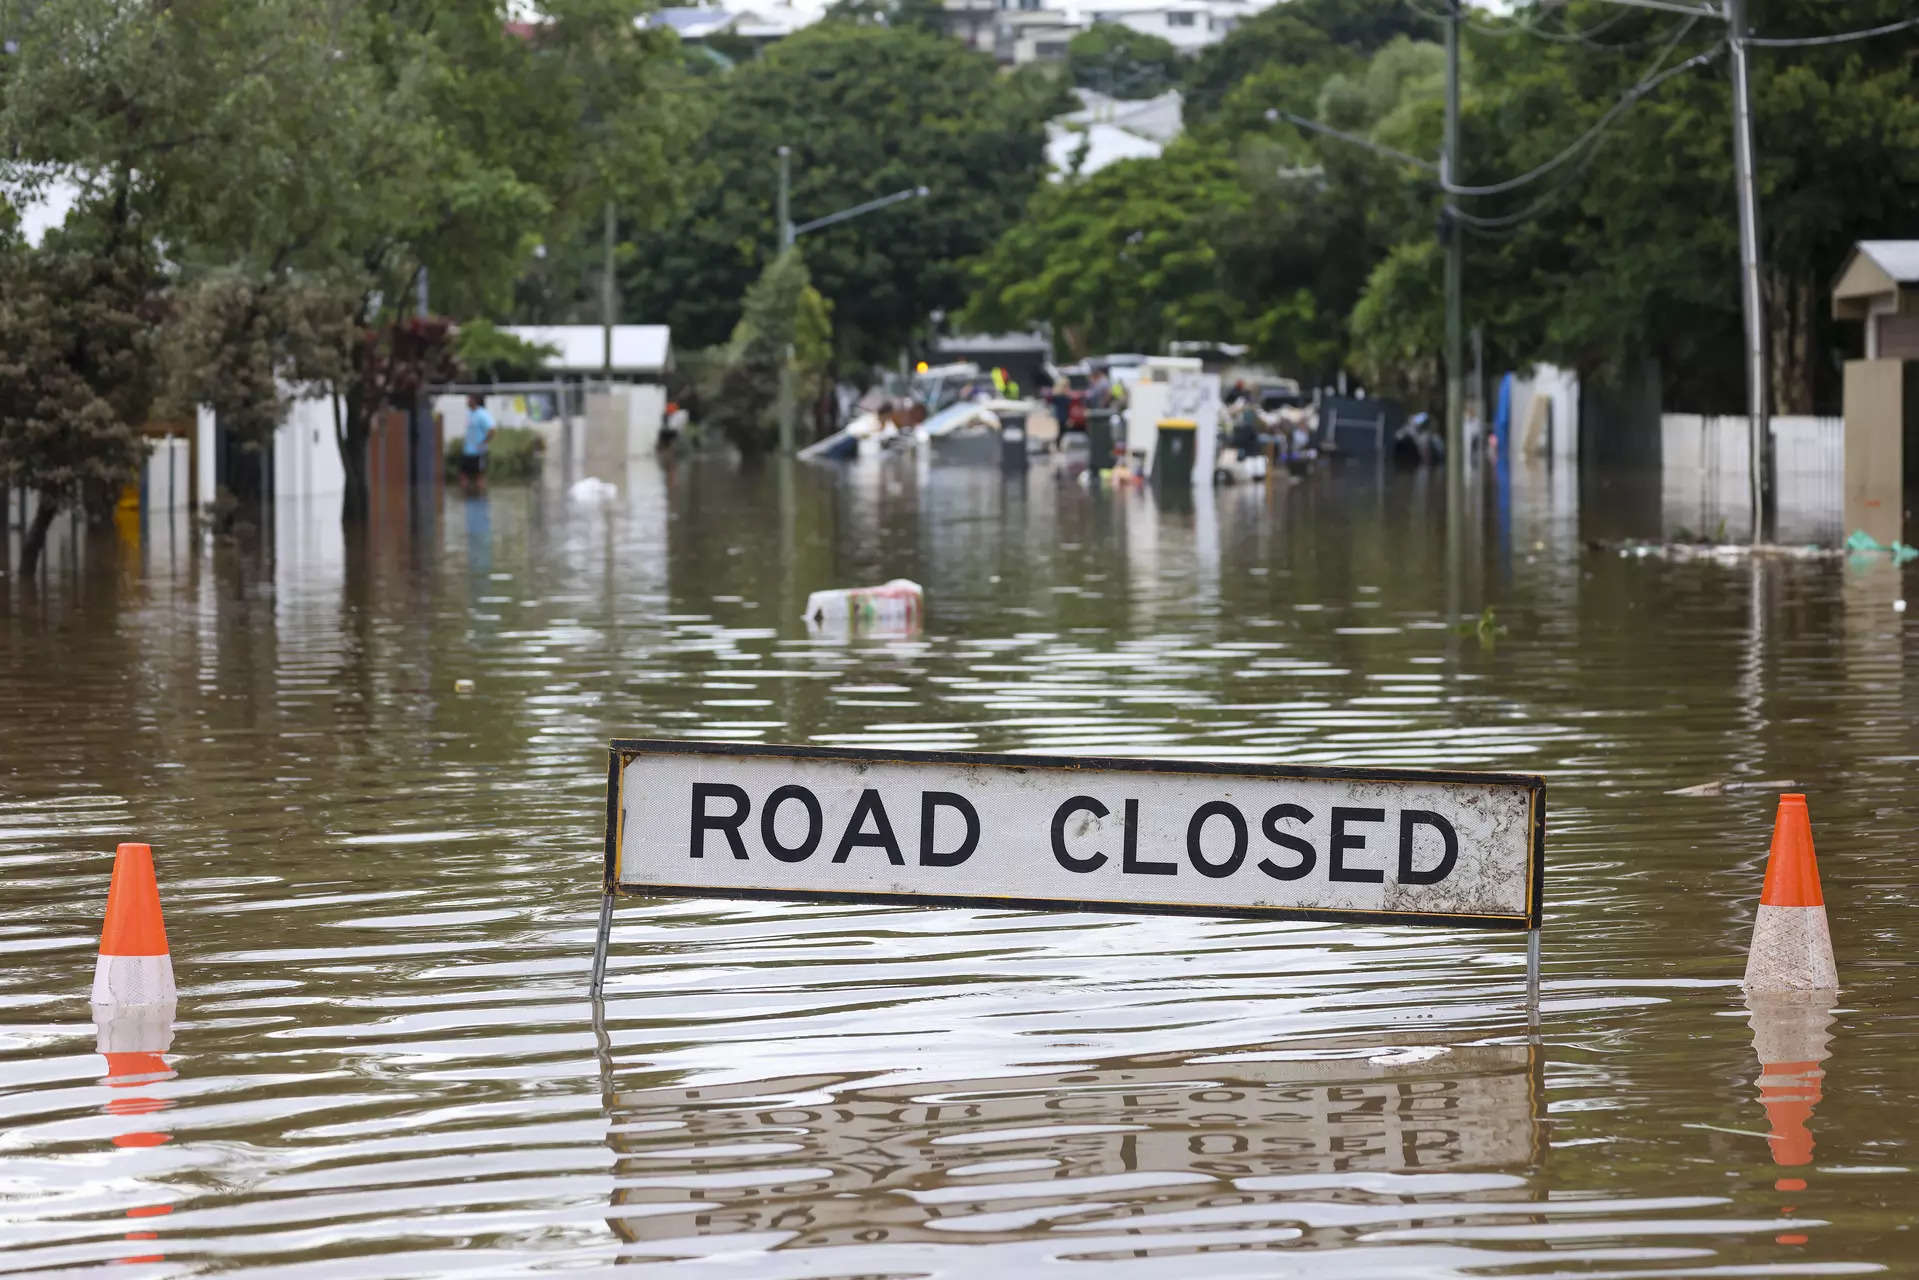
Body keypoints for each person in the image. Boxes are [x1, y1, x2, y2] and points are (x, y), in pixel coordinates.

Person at [461, 393, 494, 494]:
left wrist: (483, 443)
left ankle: (481, 497)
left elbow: (492, 430)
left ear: (475, 400)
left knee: (479, 476)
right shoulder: (470, 413)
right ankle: (466, 496)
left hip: (479, 452)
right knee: (463, 474)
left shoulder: (482, 414)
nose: (467, 401)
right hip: (467, 451)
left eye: (469, 398)